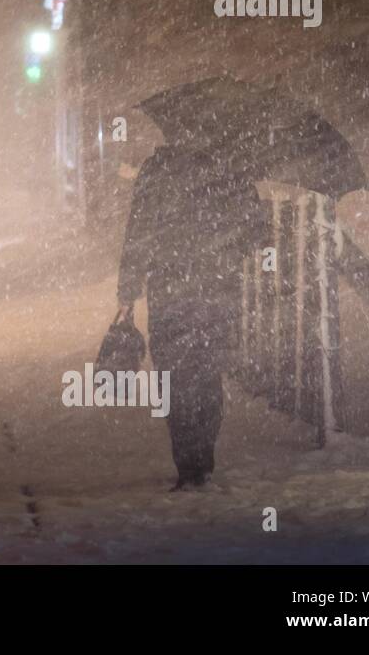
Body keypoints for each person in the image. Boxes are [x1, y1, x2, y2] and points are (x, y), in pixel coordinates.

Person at [116, 144, 265, 490]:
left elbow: (138, 231)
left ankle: (188, 464)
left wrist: (128, 288)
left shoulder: (156, 169)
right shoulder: (230, 167)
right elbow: (254, 231)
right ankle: (203, 456)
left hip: (170, 291)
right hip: (217, 289)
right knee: (208, 372)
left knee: (174, 375)